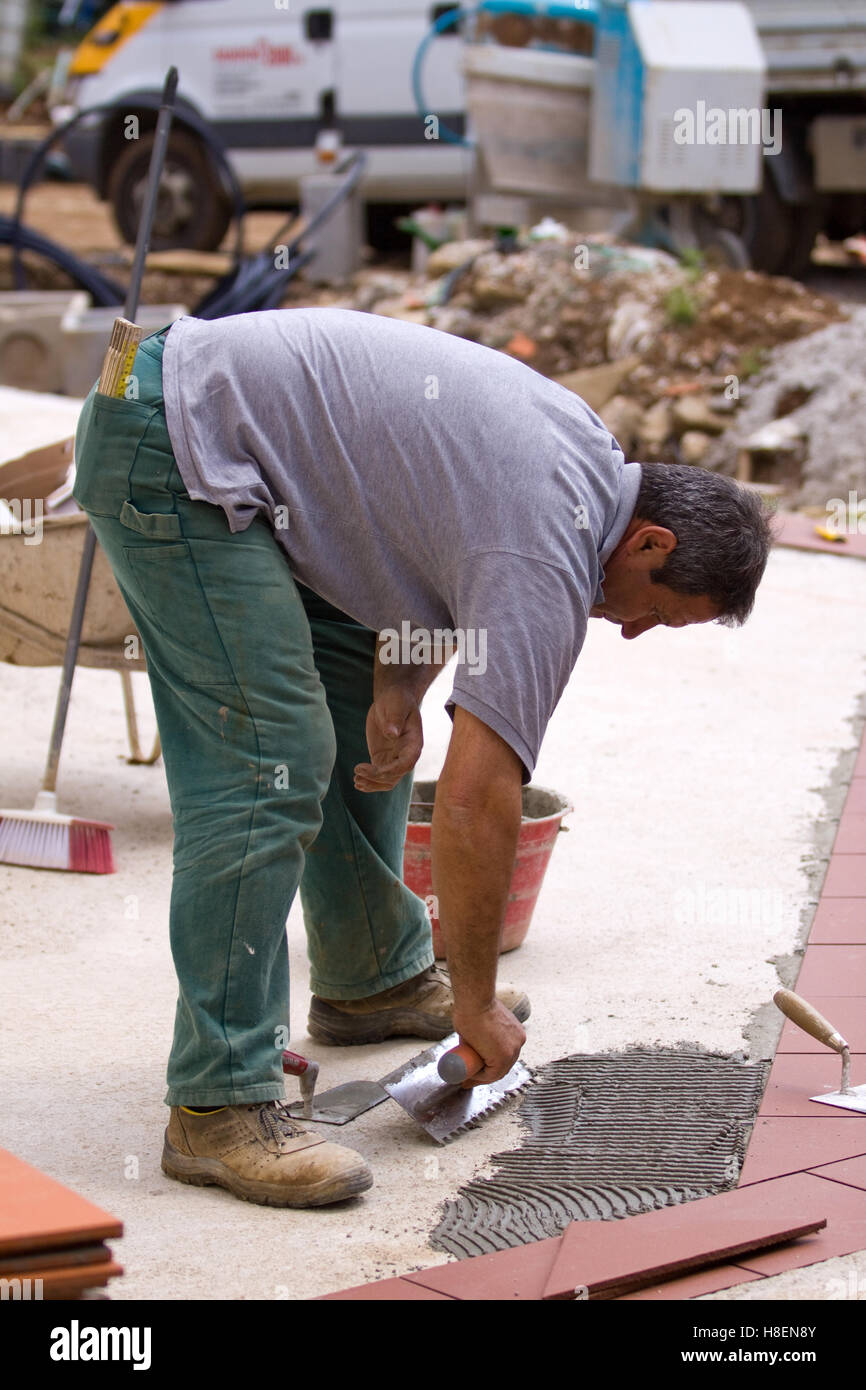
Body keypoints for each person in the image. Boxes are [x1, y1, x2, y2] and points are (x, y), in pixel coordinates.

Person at [72, 307, 772, 1209]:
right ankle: (217, 1105)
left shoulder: (588, 468)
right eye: (654, 610)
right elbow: (483, 798)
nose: (632, 630)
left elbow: (428, 536)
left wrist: (398, 687)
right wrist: (477, 1001)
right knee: (270, 760)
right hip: (174, 444)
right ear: (650, 543)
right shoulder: (551, 548)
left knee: (352, 708)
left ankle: (372, 978)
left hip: (244, 444)